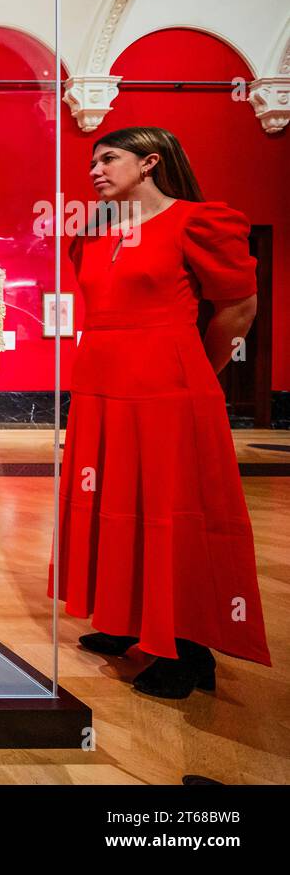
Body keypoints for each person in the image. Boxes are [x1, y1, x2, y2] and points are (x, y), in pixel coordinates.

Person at [51, 126, 270, 699]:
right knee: (115, 503)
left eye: (109, 159)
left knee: (173, 511)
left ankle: (189, 646)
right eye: (92, 161)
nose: (95, 170)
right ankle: (128, 619)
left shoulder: (196, 221)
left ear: (150, 162)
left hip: (168, 386)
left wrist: (198, 371)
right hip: (101, 386)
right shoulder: (92, 234)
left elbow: (238, 307)